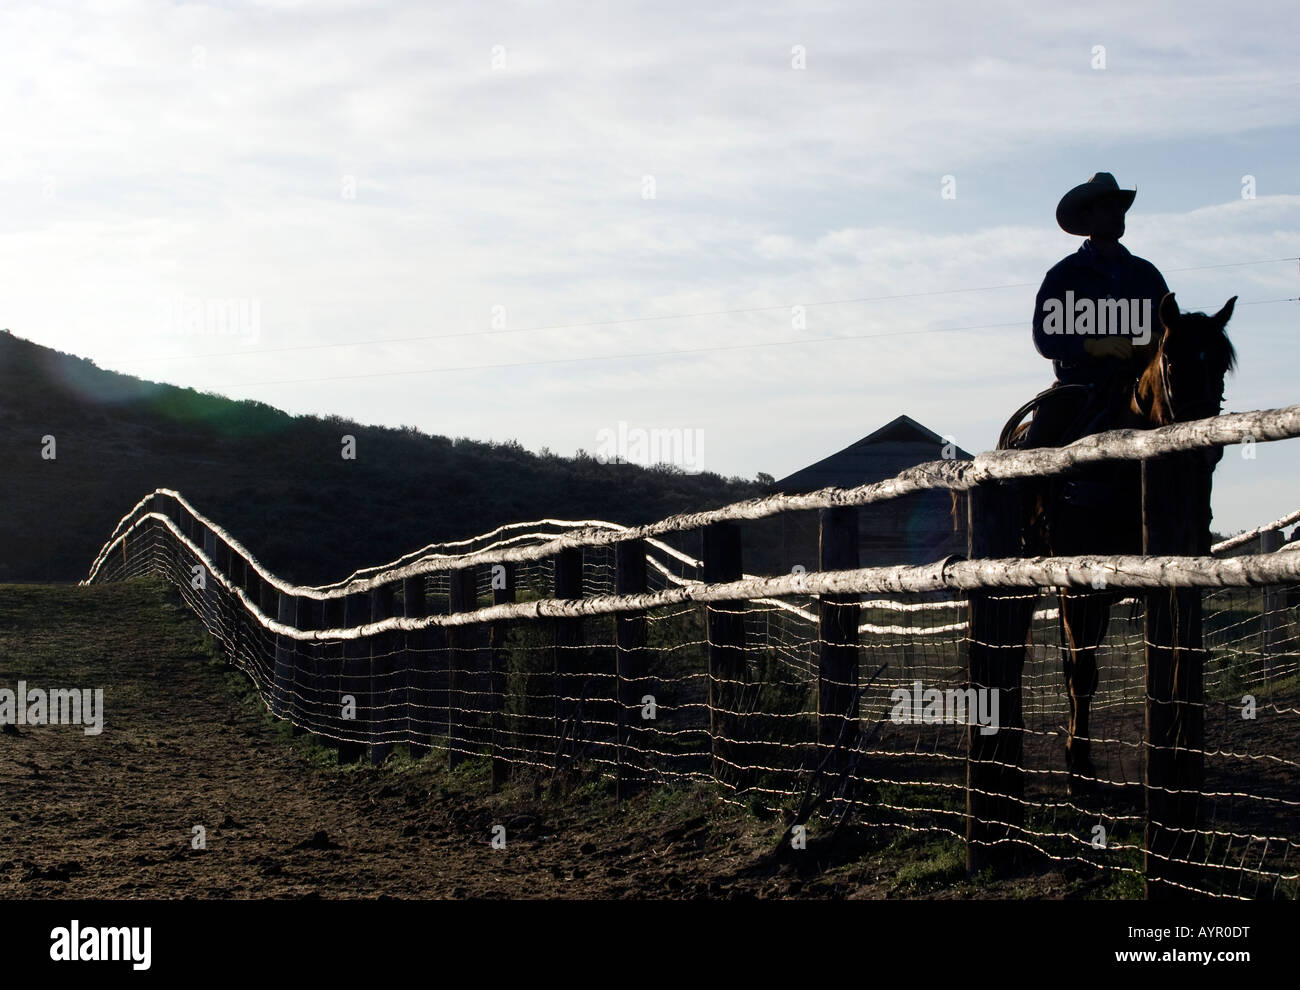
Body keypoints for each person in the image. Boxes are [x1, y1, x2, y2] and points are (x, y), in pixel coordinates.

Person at [1022, 172, 1170, 447]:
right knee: (1037, 447)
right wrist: (1091, 346)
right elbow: (1045, 339)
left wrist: (1151, 342)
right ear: (1087, 218)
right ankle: (1022, 488)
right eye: (1107, 207)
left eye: (1120, 207)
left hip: (1140, 386)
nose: (1118, 214)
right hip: (1078, 390)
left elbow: (1171, 333)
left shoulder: (1146, 275)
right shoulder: (1064, 276)